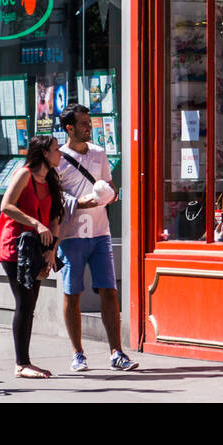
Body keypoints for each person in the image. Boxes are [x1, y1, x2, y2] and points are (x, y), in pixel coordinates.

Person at [55, 103, 138, 372]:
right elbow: (57, 197)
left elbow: (109, 186)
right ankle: (78, 353)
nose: (89, 127)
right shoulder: (59, 158)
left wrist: (108, 194)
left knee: (109, 291)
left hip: (101, 233)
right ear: (70, 128)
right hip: (71, 235)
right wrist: (82, 203)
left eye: (89, 122)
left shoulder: (100, 154)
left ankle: (117, 352)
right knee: (72, 293)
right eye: (83, 124)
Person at [0, 135, 63, 379]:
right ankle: (21, 363)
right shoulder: (24, 174)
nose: (60, 154)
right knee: (24, 301)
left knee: (30, 303)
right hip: (14, 246)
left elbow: (55, 217)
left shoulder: (52, 179)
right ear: (44, 153)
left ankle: (25, 362)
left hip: (36, 247)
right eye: (56, 149)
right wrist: (35, 223)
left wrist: (51, 250)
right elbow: (6, 206)